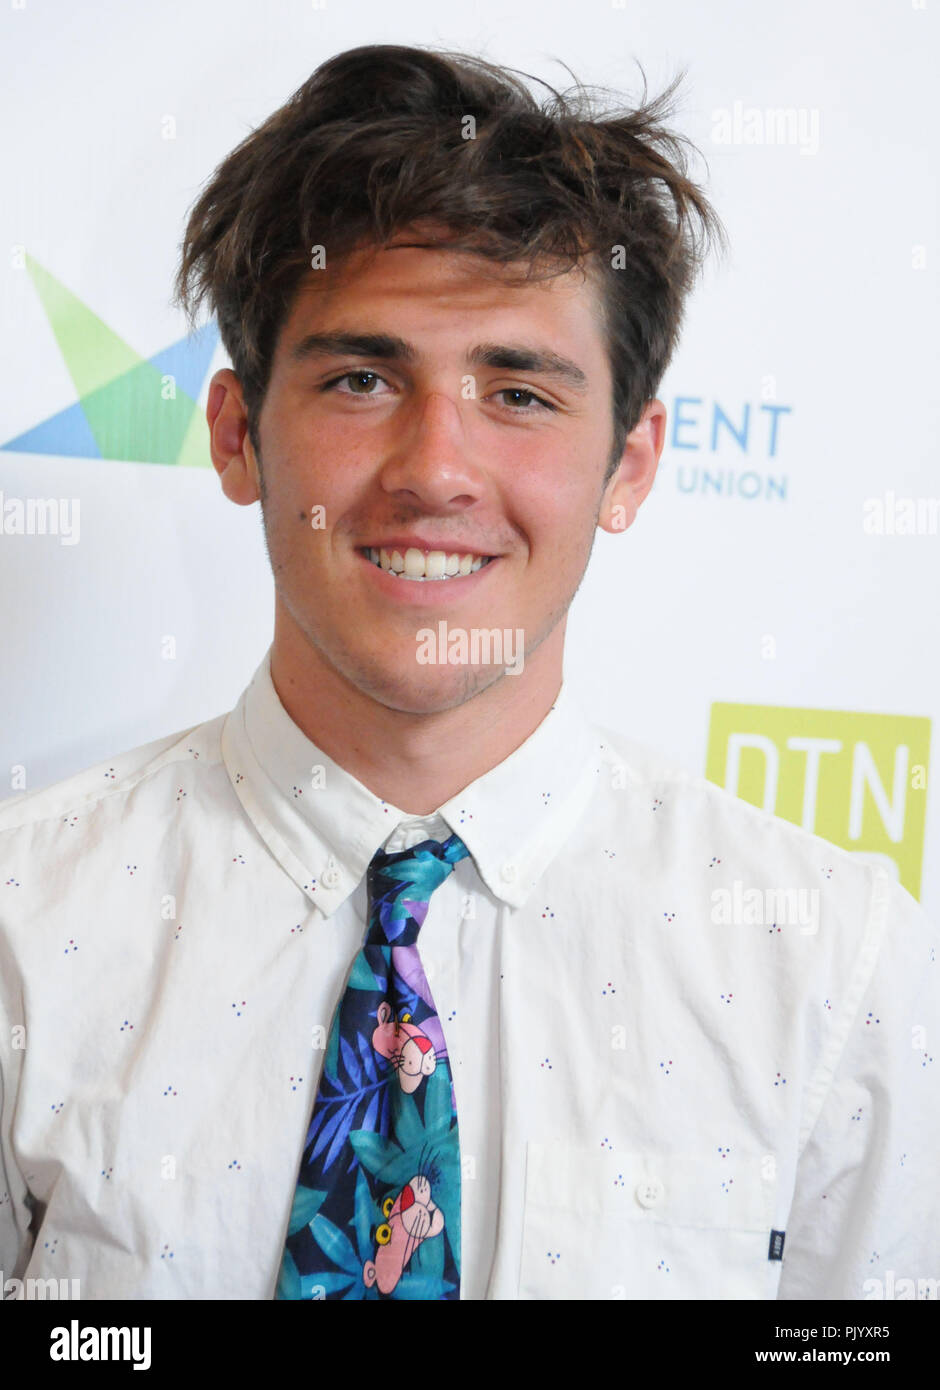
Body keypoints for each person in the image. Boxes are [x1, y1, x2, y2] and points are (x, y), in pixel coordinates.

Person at [1, 43, 937, 1303]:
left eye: (519, 392)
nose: (436, 468)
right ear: (235, 436)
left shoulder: (833, 965)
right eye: (361, 378)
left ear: (629, 466)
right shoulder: (23, 928)